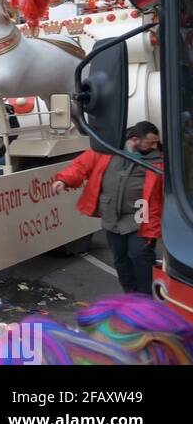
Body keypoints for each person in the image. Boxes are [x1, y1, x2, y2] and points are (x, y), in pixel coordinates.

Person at [53, 122, 163, 295]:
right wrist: (64, 180)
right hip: (113, 217)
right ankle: (130, 294)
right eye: (150, 142)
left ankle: (145, 297)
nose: (155, 146)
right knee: (120, 258)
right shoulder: (107, 151)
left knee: (140, 256)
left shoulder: (159, 160)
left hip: (141, 218)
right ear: (134, 140)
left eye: (156, 142)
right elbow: (81, 165)